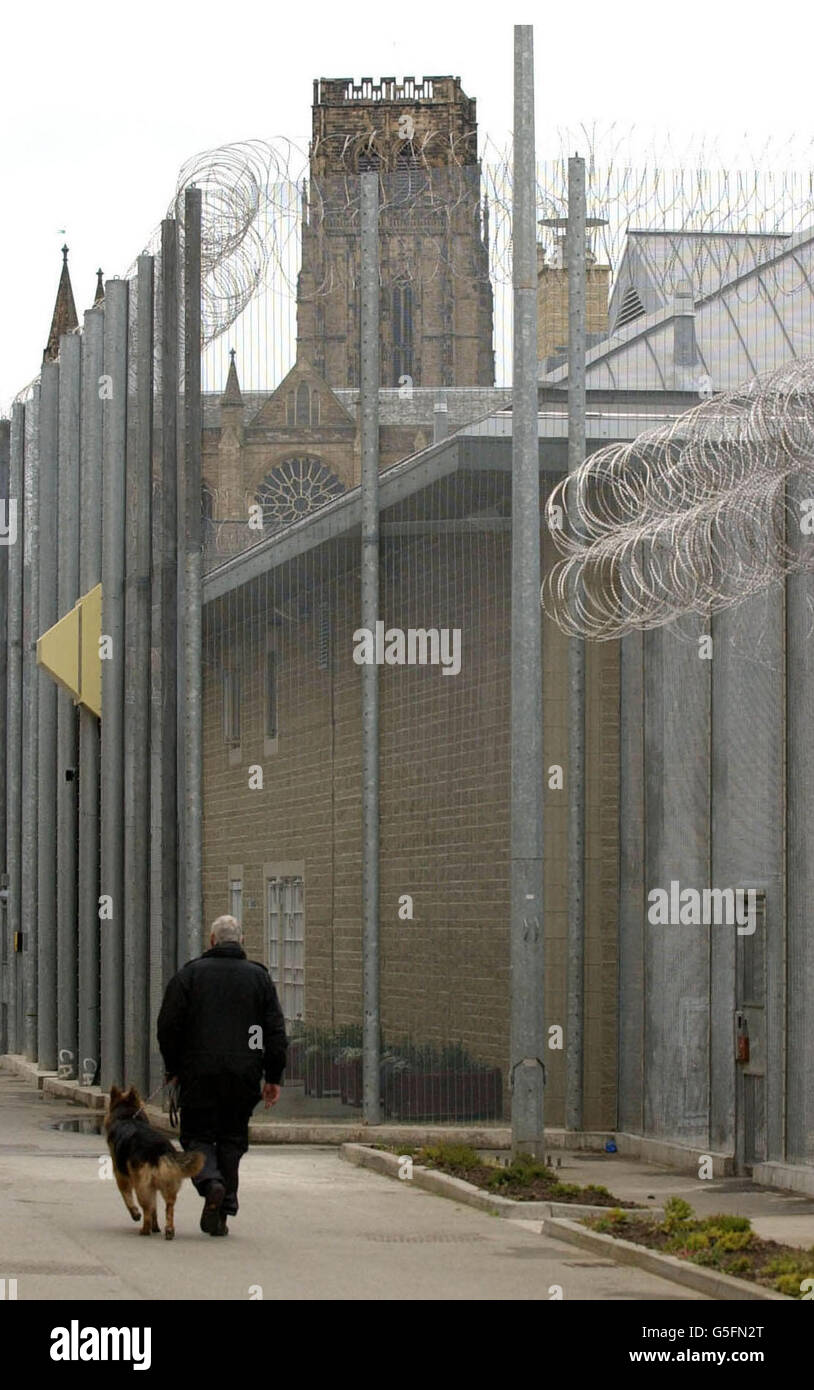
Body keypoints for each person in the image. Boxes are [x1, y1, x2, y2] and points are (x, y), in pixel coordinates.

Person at [157, 914, 288, 1236]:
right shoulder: (259, 978)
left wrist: (173, 1068)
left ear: (212, 941)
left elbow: (168, 1026)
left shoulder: (189, 976)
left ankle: (211, 1183)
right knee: (232, 1138)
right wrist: (273, 1076)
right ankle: (224, 1204)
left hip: (198, 1073)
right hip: (244, 1074)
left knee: (196, 1136)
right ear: (240, 942)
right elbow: (274, 1031)